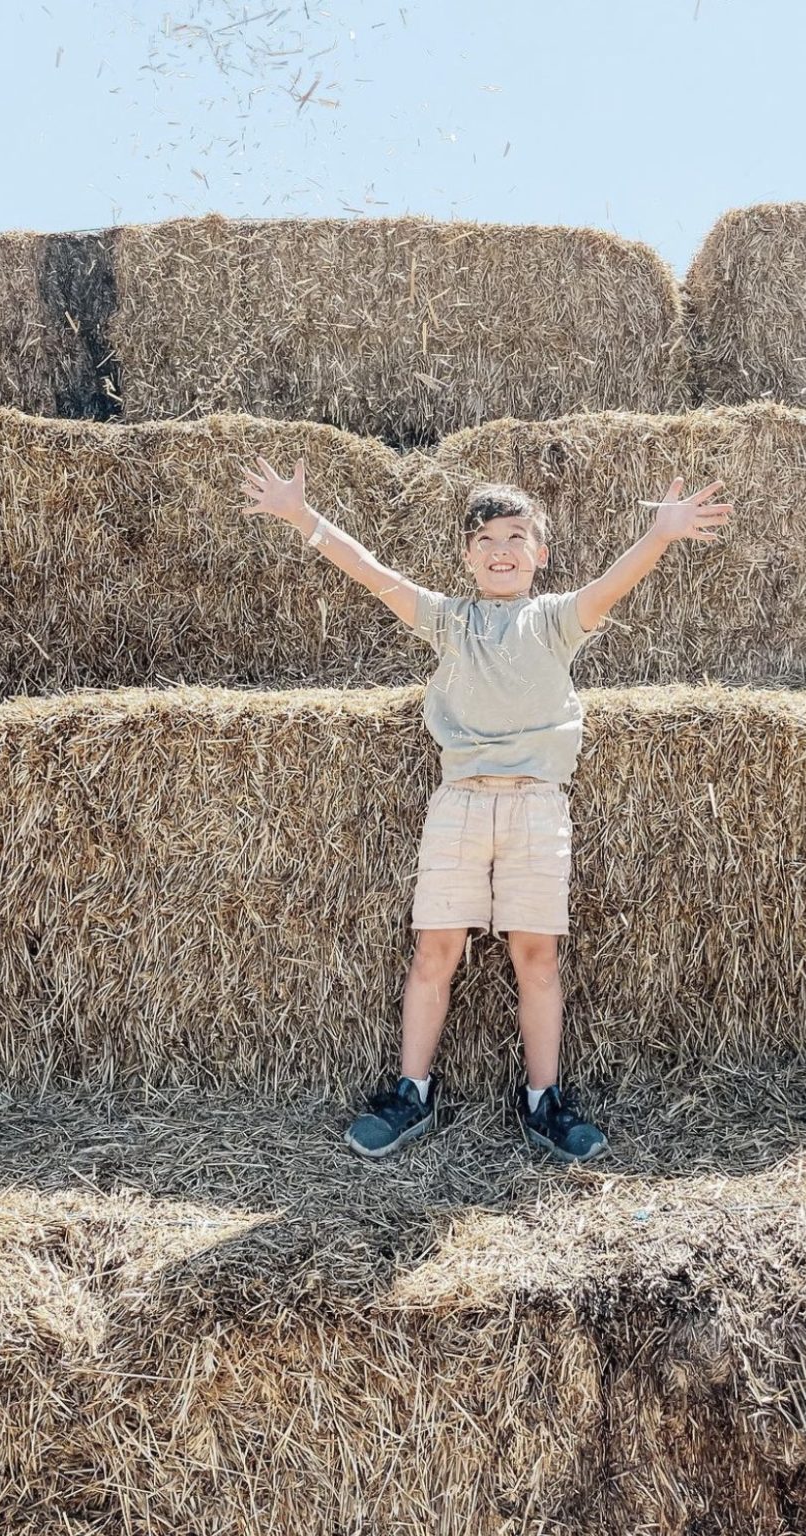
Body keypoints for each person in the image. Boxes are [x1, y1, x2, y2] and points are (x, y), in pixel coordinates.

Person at [238, 457, 732, 1161]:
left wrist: (660, 535)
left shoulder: (557, 621)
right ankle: (411, 1091)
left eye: (515, 538)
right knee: (435, 949)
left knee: (536, 955)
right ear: (467, 557)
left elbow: (612, 583)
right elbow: (374, 573)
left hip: (536, 809)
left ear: (540, 554)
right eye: (485, 540)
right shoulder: (449, 620)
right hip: (460, 807)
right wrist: (301, 518)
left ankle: (543, 1100)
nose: (501, 551)